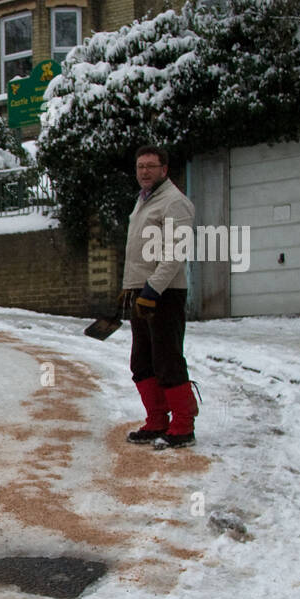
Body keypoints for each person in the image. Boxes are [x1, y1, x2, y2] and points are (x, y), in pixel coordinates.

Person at [119, 145, 200, 449]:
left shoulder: (174, 203)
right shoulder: (143, 201)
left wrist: (152, 290)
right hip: (142, 292)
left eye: (151, 166)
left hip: (164, 293)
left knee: (167, 360)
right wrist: (130, 287)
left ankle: (183, 426)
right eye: (140, 166)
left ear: (164, 170)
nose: (144, 172)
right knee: (142, 361)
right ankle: (156, 421)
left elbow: (175, 253)